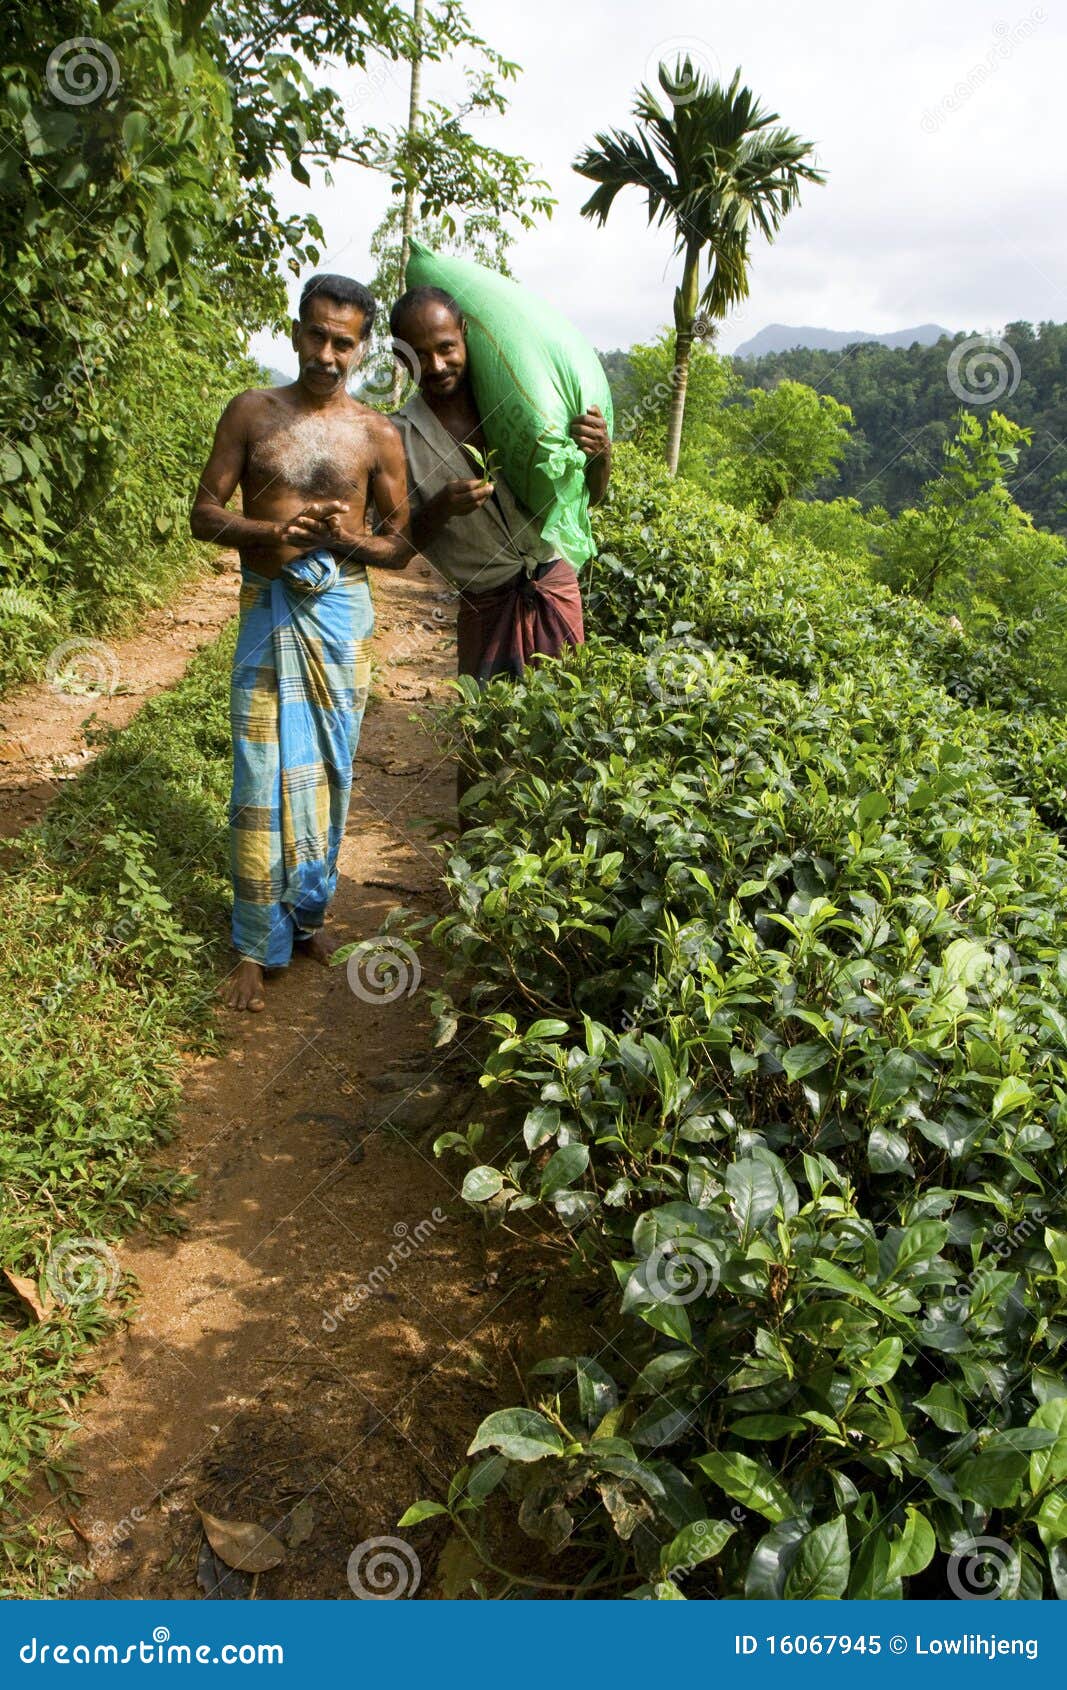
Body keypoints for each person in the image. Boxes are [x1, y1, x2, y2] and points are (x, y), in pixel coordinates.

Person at [190, 273, 415, 1012]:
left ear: (361, 348)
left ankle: (310, 914)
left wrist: (350, 539)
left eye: (342, 341)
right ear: (295, 332)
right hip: (268, 607)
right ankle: (254, 944)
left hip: (338, 618)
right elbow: (203, 512)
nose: (326, 353)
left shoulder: (378, 434)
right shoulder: (252, 413)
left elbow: (401, 546)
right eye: (315, 335)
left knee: (329, 770)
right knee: (258, 776)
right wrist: (268, 533)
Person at [388, 286, 611, 695]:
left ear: (466, 333)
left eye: (446, 347)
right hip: (485, 607)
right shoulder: (398, 438)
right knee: (486, 740)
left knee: (566, 731)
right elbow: (396, 549)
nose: (437, 365)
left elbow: (588, 500)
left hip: (553, 588)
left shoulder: (520, 401)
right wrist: (439, 508)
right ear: (400, 356)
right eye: (420, 355)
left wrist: (601, 454)